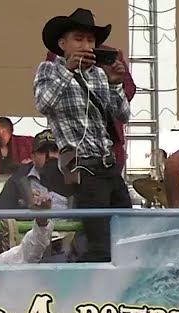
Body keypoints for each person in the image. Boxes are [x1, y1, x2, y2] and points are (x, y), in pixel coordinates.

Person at [34, 8, 131, 263]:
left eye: (90, 40)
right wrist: (68, 70)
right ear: (62, 43)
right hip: (83, 166)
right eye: (79, 39)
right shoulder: (48, 69)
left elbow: (122, 114)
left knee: (127, 234)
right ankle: (96, 293)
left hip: (109, 165)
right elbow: (43, 104)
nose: (85, 45)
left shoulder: (99, 73)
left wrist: (116, 83)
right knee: (100, 243)